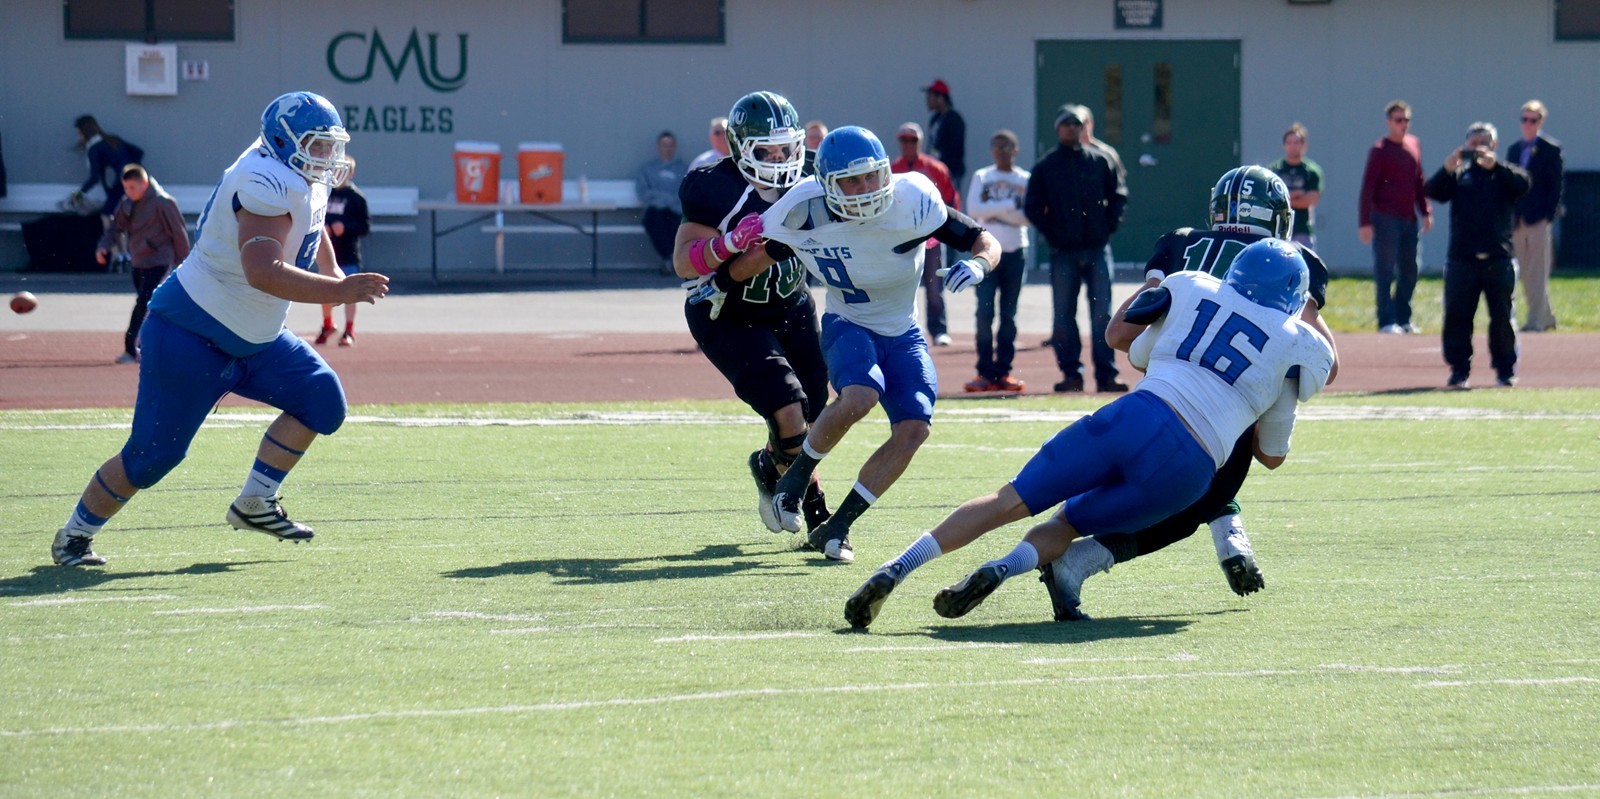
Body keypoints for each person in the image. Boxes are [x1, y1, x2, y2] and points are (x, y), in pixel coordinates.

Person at [844, 239, 1335, 629]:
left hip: (1137, 415)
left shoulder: (1194, 287)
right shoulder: (1300, 347)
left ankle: (897, 567)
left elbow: (1138, 354)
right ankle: (1005, 565)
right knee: (1066, 527)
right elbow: (1271, 455)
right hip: (1189, 467)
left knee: (1007, 499)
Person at [48, 91, 390, 568]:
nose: (327, 157)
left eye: (329, 145)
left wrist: (334, 278)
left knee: (321, 400)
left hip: (257, 334)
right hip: (194, 331)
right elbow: (264, 270)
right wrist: (343, 292)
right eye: (316, 145)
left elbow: (310, 230)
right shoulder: (262, 178)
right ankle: (75, 534)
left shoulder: (298, 170)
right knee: (153, 457)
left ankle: (255, 502)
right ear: (283, 140)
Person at [1036, 166, 1342, 622]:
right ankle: (1080, 560)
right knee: (1187, 504)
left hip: (1159, 399)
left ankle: (1223, 525)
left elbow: (1119, 334)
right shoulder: (1293, 261)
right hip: (1228, 422)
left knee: (1138, 482)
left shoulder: (1183, 245)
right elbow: (1326, 365)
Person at [758, 126, 1001, 563]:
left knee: (915, 429)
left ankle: (838, 526)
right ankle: (794, 480)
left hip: (902, 330)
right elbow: (753, 258)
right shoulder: (800, 210)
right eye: (852, 180)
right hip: (847, 320)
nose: (866, 188)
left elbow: (984, 239)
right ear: (828, 184)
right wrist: (716, 276)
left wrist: (981, 264)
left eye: (872, 175)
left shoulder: (912, 201)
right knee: (861, 394)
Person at [671, 91, 833, 542]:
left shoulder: (817, 171)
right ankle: (820, 513)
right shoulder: (714, 186)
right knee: (788, 411)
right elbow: (684, 261)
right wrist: (725, 245)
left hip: (791, 304)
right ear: (741, 147)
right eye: (767, 151)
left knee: (816, 416)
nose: (780, 159)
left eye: (787, 148)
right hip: (727, 311)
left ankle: (768, 464)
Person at [1025, 104, 1128, 394]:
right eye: (1067, 124)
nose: (1073, 128)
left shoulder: (1100, 161)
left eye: (1078, 124)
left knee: (1102, 315)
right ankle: (1072, 374)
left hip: (1097, 250)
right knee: (1063, 316)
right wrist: (1053, 234)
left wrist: (1107, 228)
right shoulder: (1046, 166)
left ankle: (1107, 375)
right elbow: (1032, 207)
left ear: (1085, 128)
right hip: (1063, 253)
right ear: (1058, 128)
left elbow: (1119, 196)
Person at [1425, 122, 1529, 390]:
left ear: (1494, 145)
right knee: (1458, 316)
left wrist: (1496, 166)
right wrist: (1448, 167)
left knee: (1502, 317)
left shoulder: (1503, 175)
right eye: (1473, 144)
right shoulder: (1460, 175)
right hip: (1463, 259)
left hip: (1498, 257)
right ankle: (1459, 370)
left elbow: (1524, 184)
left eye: (1484, 143)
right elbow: (1433, 191)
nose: (1479, 149)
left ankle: (1505, 370)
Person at [95, 163, 189, 364]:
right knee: (155, 308)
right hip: (139, 262)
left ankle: (132, 349)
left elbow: (179, 234)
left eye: (132, 188)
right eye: (126, 188)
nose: (129, 192)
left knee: (145, 304)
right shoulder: (127, 203)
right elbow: (115, 228)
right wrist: (103, 247)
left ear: (144, 184)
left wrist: (183, 265)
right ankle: (162, 348)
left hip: (160, 262)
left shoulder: (163, 203)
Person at [962, 129, 1031, 392]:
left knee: (1009, 316)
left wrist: (995, 212)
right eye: (997, 147)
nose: (1002, 152)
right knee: (984, 313)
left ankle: (1003, 372)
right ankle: (984, 372)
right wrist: (1009, 206)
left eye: (1007, 147)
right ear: (991, 150)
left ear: (1016, 150)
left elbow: (1027, 217)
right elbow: (975, 211)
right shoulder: (982, 176)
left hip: (1016, 253)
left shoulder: (1025, 178)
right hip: (987, 256)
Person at [1358, 100, 1432, 335]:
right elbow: (1367, 188)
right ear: (1389, 122)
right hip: (1385, 218)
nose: (1403, 125)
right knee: (1385, 269)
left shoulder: (1414, 144)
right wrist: (1365, 222)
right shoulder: (1379, 150)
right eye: (1398, 120)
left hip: (1409, 219)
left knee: (1411, 268)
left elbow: (1419, 181)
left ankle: (1404, 317)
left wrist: (1425, 211)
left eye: (1406, 120)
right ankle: (1386, 319)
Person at [891, 122, 959, 347]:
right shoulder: (891, 169)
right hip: (902, 237)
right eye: (904, 140)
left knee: (933, 286)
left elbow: (950, 201)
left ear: (919, 142)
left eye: (912, 140)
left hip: (931, 237)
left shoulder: (936, 168)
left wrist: (946, 232)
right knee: (898, 284)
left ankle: (939, 329)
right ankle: (898, 329)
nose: (908, 144)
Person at [1507, 100, 1564, 333]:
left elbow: (1556, 186)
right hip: (1518, 219)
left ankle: (1535, 321)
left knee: (1537, 270)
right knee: (1525, 271)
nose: (1528, 124)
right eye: (1525, 119)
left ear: (1540, 122)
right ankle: (1547, 316)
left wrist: (1548, 215)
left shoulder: (1551, 149)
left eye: (1533, 120)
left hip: (1539, 218)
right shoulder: (1514, 150)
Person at [318, 156, 372, 346]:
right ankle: (327, 324)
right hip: (328, 253)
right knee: (324, 291)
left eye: (343, 171)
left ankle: (349, 330)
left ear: (350, 173)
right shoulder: (325, 193)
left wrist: (345, 227)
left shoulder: (356, 198)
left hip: (349, 254)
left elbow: (364, 227)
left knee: (350, 292)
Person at [72, 115, 145, 220]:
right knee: (127, 214)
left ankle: (110, 236)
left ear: (85, 132)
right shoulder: (113, 140)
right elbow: (139, 152)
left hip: (122, 183)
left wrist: (78, 194)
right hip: (138, 180)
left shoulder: (94, 149)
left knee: (107, 214)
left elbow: (94, 178)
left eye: (79, 133)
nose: (80, 137)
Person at [636, 130, 688, 276]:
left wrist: (666, 200)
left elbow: (686, 192)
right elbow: (643, 193)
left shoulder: (683, 169)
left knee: (677, 225)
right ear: (658, 147)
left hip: (677, 211)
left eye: (670, 145)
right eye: (664, 145)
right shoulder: (648, 170)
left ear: (675, 147)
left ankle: (669, 259)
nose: (667, 148)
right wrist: (666, 200)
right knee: (654, 220)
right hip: (656, 211)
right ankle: (670, 257)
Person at [1268, 122, 1324, 250]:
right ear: (1284, 145)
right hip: (1277, 229)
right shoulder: (1274, 170)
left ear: (1304, 145)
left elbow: (1311, 200)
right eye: (1289, 143)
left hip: (1302, 230)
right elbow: (1271, 199)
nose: (1293, 146)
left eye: (1296, 142)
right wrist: (1297, 194)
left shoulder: (1312, 171)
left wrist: (1285, 197)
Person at [922, 79, 966, 192]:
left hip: (949, 173)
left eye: (930, 97)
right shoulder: (935, 119)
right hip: (933, 171)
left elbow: (955, 150)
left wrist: (944, 168)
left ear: (941, 98)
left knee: (948, 205)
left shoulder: (954, 119)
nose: (928, 100)